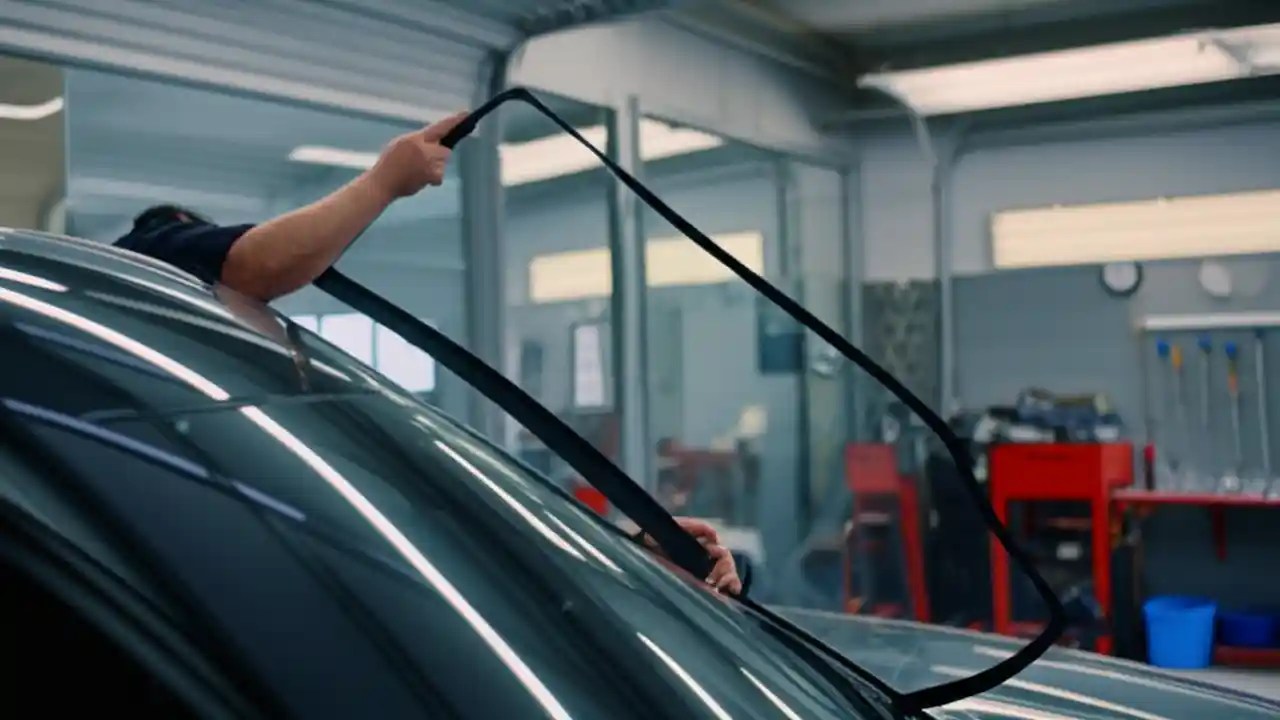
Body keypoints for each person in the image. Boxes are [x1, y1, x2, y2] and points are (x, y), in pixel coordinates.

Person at [113, 112, 744, 596]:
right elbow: (258, 263)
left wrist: (629, 558)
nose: (259, 323)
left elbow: (446, 537)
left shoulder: (268, 443)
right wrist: (386, 179)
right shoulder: (143, 276)